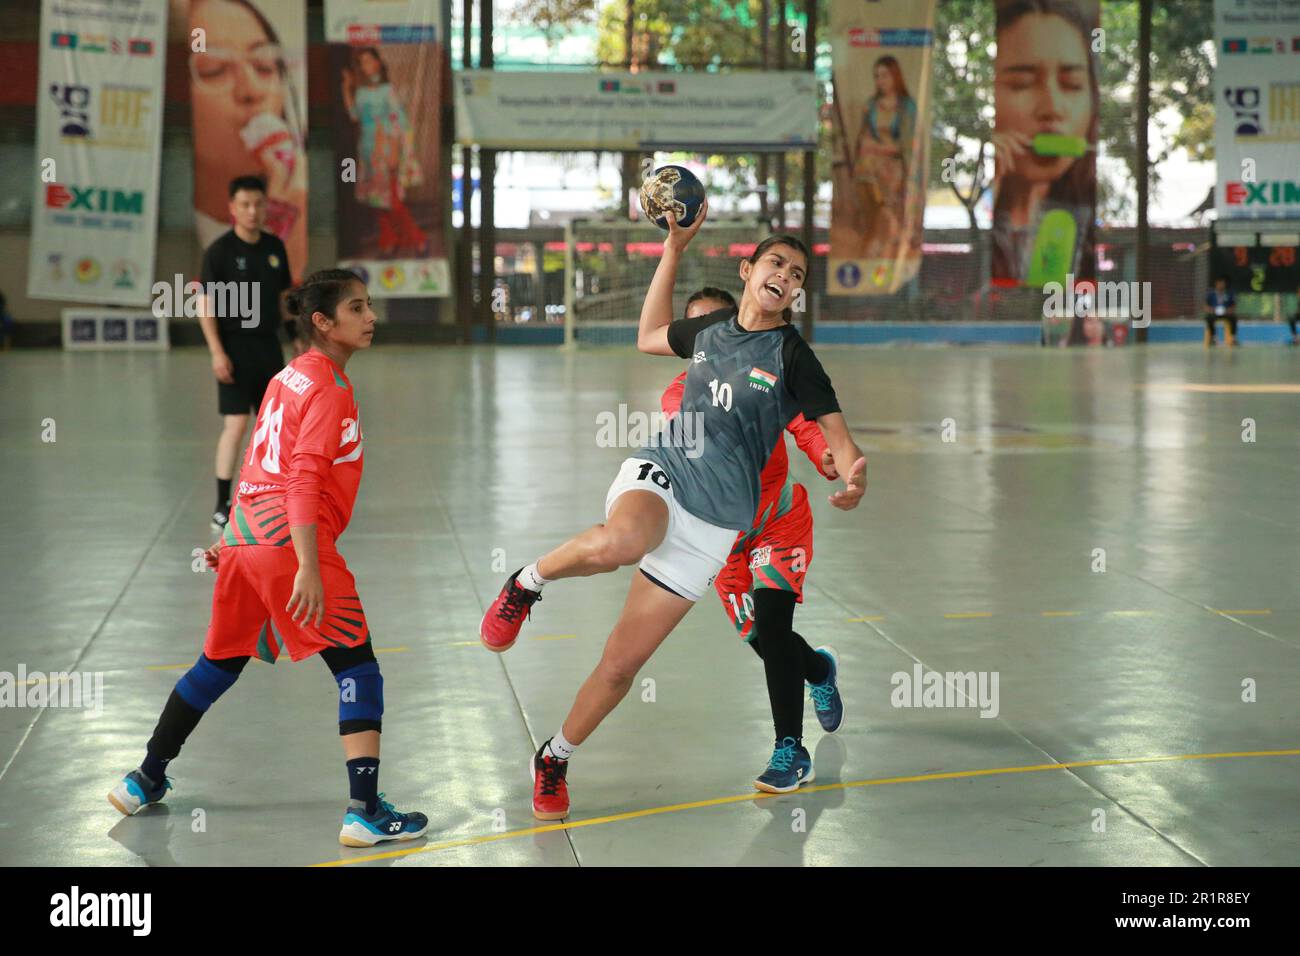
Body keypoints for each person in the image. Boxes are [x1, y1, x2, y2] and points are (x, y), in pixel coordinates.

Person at [479, 202, 867, 820]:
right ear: (748, 269)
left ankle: (553, 757)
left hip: (719, 524)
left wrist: (851, 470)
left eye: (797, 273)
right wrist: (674, 249)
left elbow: (833, 432)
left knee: (620, 667)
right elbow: (646, 335)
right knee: (622, 543)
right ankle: (526, 584)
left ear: (796, 292)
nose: (786, 276)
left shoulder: (793, 357)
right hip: (665, 477)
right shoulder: (707, 336)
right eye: (776, 262)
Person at [109, 269, 427, 847]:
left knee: (218, 662)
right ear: (322, 323)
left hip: (246, 536)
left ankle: (144, 779)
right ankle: (364, 810)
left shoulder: (285, 379)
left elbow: (259, 462)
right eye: (357, 308)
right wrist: (306, 563)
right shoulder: (329, 387)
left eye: (369, 305)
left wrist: (234, 539)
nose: (370, 316)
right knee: (357, 667)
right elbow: (302, 478)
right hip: (291, 543)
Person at [662, 287, 845, 793]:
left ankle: (791, 748)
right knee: (763, 640)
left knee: (773, 620)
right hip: (722, 538)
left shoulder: (766, 376)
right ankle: (819, 669)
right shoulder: (679, 395)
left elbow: (802, 421)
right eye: (696, 330)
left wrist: (824, 453)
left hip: (778, 520)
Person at [200, 175, 299, 532]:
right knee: (236, 424)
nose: (252, 211)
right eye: (244, 204)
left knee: (273, 429)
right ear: (232, 208)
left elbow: (282, 301)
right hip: (234, 349)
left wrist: (297, 338)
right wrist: (216, 353)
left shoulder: (275, 248)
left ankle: (273, 497)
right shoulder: (220, 253)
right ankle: (221, 503)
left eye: (258, 204)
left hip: (268, 348)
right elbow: (206, 306)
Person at [189, 0, 307, 281]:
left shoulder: (296, 202)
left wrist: (287, 216)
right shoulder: (210, 248)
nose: (251, 90)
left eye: (265, 65)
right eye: (214, 69)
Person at [990, 0, 1099, 285]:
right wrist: (994, 191)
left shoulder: (1088, 219)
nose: (1051, 108)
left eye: (1072, 85)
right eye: (1021, 84)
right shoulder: (972, 207)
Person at [342, 47, 427, 258]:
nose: (366, 66)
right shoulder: (360, 91)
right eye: (362, 62)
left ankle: (418, 240)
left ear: (378, 63)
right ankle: (388, 241)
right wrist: (346, 87)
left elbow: (398, 122)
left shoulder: (387, 90)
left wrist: (394, 150)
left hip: (386, 146)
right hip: (367, 148)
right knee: (376, 200)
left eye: (369, 61)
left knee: (392, 199)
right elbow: (354, 116)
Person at [853, 56, 918, 261]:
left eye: (884, 75)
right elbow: (863, 139)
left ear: (895, 76)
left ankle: (888, 234)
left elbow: (906, 145)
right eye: (876, 76)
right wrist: (873, 149)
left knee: (885, 183)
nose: (880, 81)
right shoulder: (871, 105)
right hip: (871, 162)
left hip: (897, 162)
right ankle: (880, 231)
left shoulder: (906, 107)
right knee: (866, 173)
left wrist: (882, 149)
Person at [1203, 275, 1237, 347]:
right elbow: (1205, 306)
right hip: (1214, 312)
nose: (1221, 285)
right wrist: (1212, 310)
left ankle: (1233, 338)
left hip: (1226, 312)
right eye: (1219, 283)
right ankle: (1213, 338)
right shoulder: (1210, 294)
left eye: (1222, 283)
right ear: (1216, 284)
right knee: (1209, 318)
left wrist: (1228, 310)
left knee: (1233, 317)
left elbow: (1234, 306)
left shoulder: (1229, 293)